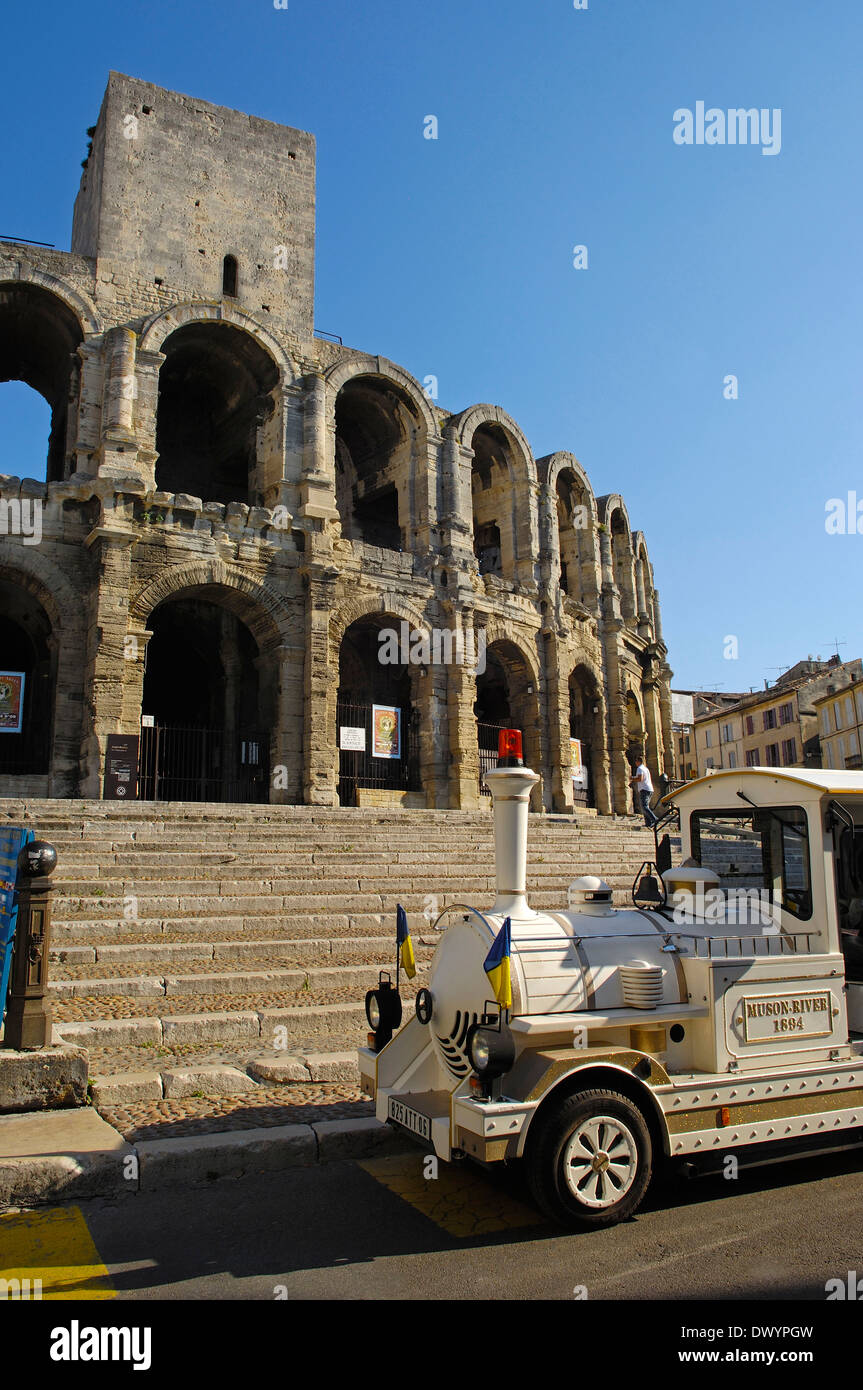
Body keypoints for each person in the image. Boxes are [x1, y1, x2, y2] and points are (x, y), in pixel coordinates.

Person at [630, 757, 658, 829]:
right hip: (649, 789)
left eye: (636, 761)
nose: (635, 763)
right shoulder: (646, 769)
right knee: (645, 806)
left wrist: (632, 778)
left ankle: (654, 819)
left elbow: (640, 779)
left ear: (639, 761)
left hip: (644, 789)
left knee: (644, 806)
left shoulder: (639, 768)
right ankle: (648, 823)